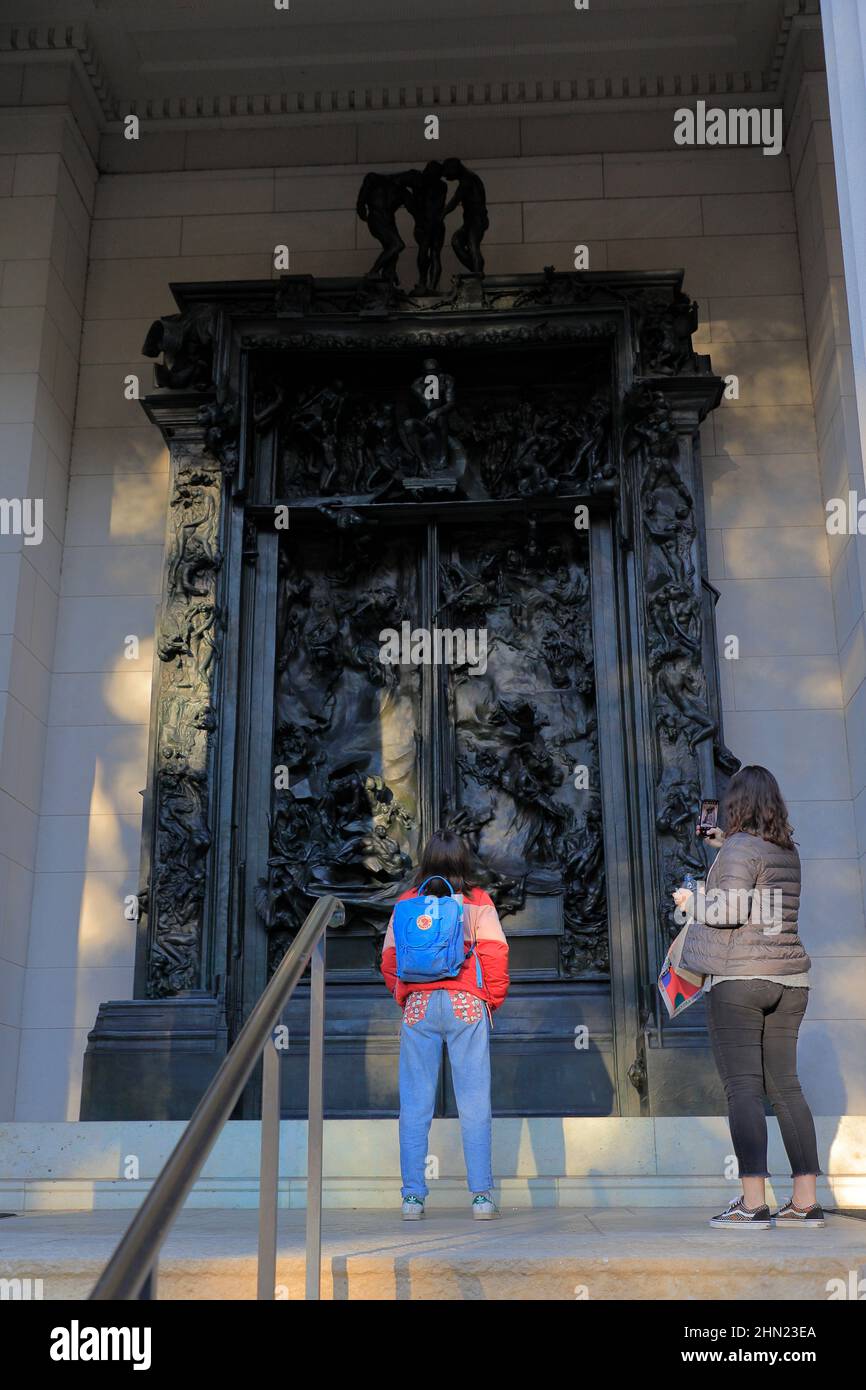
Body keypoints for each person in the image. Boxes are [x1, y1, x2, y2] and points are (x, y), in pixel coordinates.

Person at [675, 766, 823, 1230]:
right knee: (786, 1088)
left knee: (743, 1088)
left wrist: (689, 900)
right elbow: (761, 898)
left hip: (741, 980)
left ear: (737, 804)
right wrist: (725, 850)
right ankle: (804, 1203)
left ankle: (753, 1202)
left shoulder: (741, 848)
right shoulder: (787, 851)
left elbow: (730, 910)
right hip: (790, 981)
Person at [381, 829, 510, 1220]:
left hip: (420, 1005)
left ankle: (413, 1198)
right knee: (473, 1102)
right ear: (462, 860)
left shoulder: (407, 902)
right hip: (465, 1002)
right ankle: (482, 1197)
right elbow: (496, 956)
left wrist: (406, 995)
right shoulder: (478, 902)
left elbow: (389, 960)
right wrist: (490, 1000)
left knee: (415, 1102)